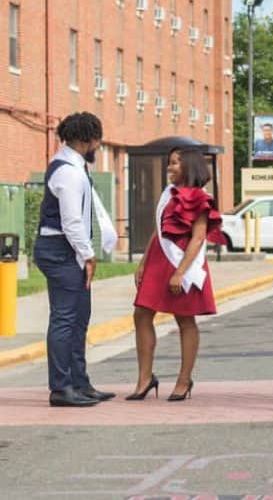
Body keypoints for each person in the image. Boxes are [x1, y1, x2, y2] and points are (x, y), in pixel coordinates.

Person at [34, 112, 118, 407]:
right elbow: (71, 221)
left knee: (79, 319)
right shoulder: (68, 172)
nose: (98, 145)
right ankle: (61, 388)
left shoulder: (73, 166)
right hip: (61, 250)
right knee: (65, 319)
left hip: (66, 249)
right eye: (97, 140)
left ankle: (79, 382)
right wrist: (88, 255)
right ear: (86, 140)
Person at [128, 148, 226, 402]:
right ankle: (145, 378)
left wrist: (180, 272)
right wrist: (143, 262)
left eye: (175, 163)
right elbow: (158, 230)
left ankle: (184, 380)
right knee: (141, 314)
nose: (169, 167)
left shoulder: (201, 198)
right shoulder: (167, 194)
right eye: (169, 163)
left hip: (184, 263)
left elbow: (198, 237)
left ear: (190, 166)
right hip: (159, 261)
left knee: (184, 320)